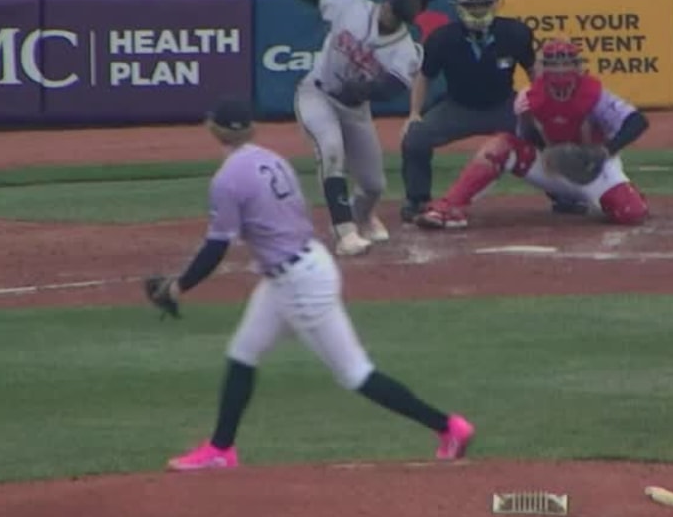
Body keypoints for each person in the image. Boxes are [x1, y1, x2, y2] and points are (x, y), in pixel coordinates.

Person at [155, 97, 475, 472]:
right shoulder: (272, 159)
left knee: (355, 373)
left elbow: (216, 247)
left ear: (213, 129)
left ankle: (447, 427)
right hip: (298, 268)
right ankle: (221, 449)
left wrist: (179, 287)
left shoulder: (226, 179)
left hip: (298, 282)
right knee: (243, 352)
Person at [265, 0, 433, 255]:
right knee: (330, 151)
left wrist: (365, 89)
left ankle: (363, 218)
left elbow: (391, 88)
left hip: (355, 108)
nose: (419, 4)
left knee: (373, 185)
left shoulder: (406, 49)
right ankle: (344, 233)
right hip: (317, 93)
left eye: (422, 0)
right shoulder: (351, 4)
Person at [414, 38, 651, 230]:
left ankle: (621, 195)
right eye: (554, 64)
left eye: (565, 63)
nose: (560, 70)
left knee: (631, 213)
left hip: (595, 166)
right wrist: (556, 156)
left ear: (578, 66)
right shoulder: (528, 99)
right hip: (551, 165)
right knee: (499, 146)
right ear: (542, 67)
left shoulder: (595, 94)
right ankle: (450, 207)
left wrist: (604, 150)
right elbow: (524, 139)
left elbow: (637, 121)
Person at [401, 0, 535, 223]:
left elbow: (534, 70)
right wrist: (414, 112)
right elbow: (424, 76)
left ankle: (564, 196)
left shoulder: (515, 33)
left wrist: (539, 106)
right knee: (416, 137)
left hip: (503, 105)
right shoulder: (442, 38)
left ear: (494, 5)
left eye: (483, 5)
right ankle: (417, 198)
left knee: (544, 133)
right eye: (472, 7)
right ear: (460, 8)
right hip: (458, 106)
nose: (478, 11)